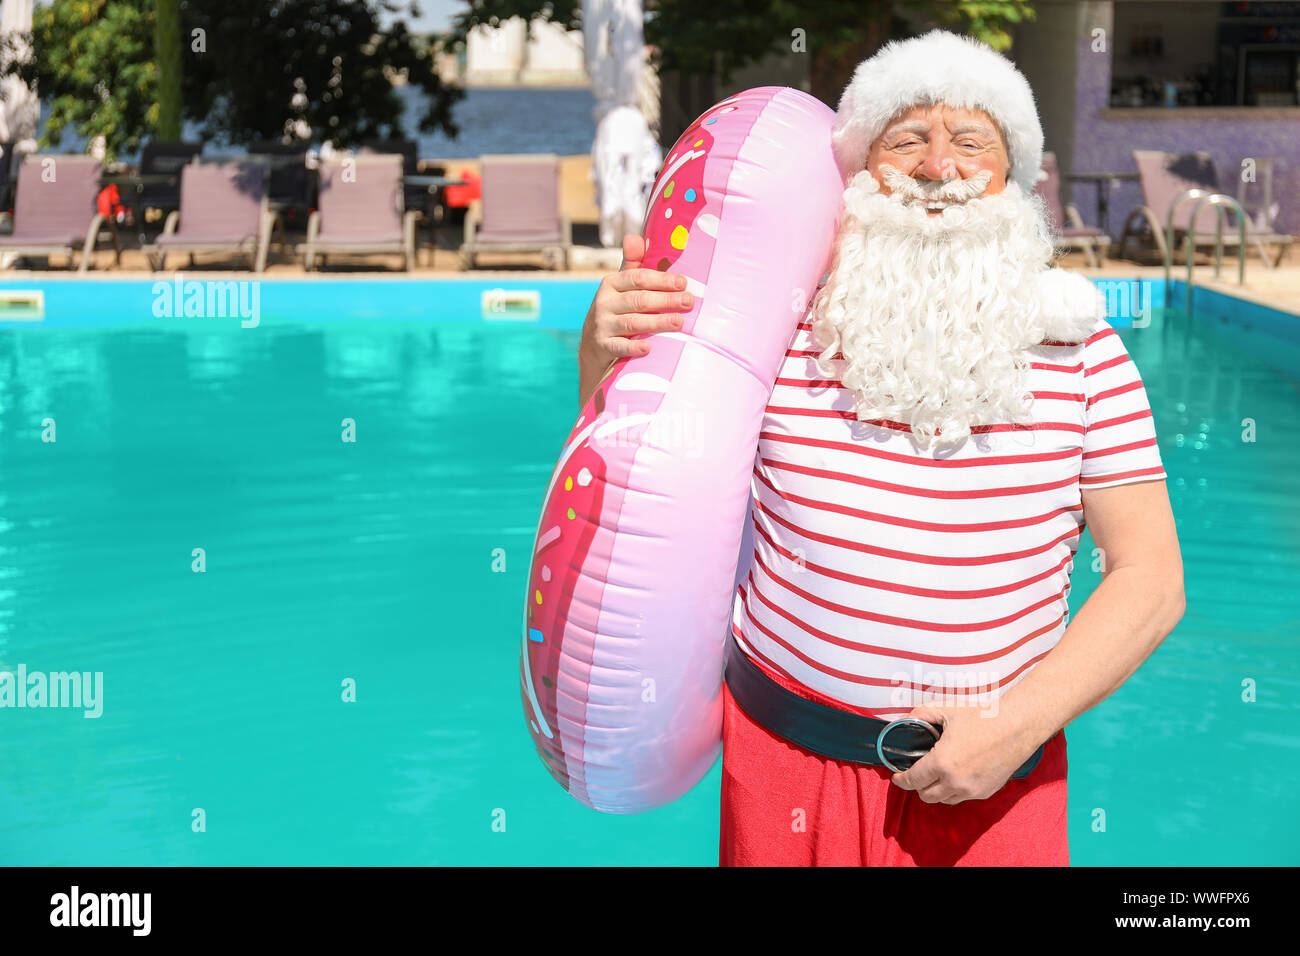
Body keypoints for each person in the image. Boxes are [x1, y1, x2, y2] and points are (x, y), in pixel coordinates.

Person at [577, 30, 1184, 866]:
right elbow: (652, 481)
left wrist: (1016, 725)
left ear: (1016, 175)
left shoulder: (1087, 357)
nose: (939, 167)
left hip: (995, 779)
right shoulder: (777, 333)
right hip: (783, 767)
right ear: (861, 173)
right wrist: (602, 346)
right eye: (907, 140)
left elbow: (1151, 578)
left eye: (972, 140)